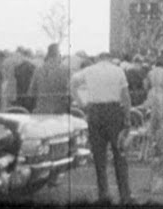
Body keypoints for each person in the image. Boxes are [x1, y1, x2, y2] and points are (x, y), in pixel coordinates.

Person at [70, 52, 133, 205]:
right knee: (120, 154)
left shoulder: (89, 70)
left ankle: (103, 194)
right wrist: (127, 117)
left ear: (98, 59)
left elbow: (72, 84)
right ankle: (125, 195)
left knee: (99, 156)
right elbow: (125, 96)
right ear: (110, 59)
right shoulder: (117, 70)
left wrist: (81, 103)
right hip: (114, 111)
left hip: (95, 112)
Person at [29, 43, 72, 115]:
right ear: (58, 54)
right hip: (60, 111)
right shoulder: (65, 70)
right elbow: (70, 91)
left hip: (42, 111)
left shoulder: (38, 70)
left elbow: (31, 92)